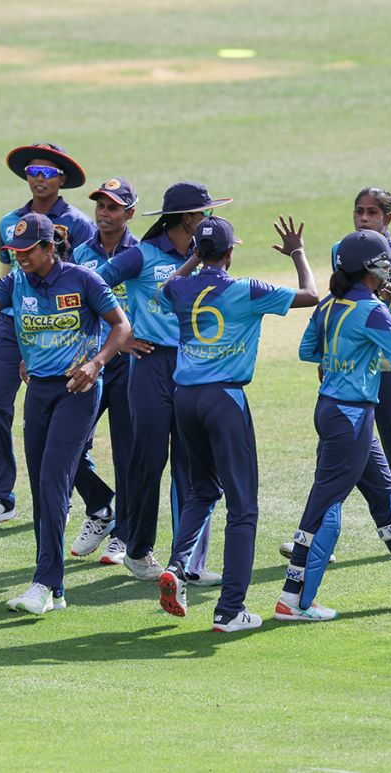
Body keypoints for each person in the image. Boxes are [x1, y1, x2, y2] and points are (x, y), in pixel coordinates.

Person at [275, 230, 391, 622]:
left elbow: (309, 351)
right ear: (372, 268)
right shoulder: (372, 310)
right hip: (351, 417)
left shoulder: (327, 306)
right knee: (324, 507)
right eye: (386, 261)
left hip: (336, 411)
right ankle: (294, 601)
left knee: (387, 494)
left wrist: (346, 357)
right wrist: (377, 347)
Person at [0, 215, 130, 614]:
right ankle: (57, 589)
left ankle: (43, 583)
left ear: (49, 248)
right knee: (41, 487)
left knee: (54, 480)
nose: (20, 259)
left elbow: (121, 327)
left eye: (27, 251)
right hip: (38, 391)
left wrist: (96, 364)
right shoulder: (16, 282)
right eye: (14, 253)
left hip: (78, 390)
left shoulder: (83, 280)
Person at [154, 216, 318, 633]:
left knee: (203, 489)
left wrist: (192, 259)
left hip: (185, 400)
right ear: (230, 253)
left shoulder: (179, 287)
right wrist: (298, 252)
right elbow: (311, 295)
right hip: (225, 399)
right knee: (243, 507)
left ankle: (177, 566)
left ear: (197, 251)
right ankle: (230, 609)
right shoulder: (246, 289)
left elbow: (167, 286)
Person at [95, 182, 232, 585]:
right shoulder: (143, 255)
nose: (208, 219)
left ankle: (187, 562)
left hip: (194, 365)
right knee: (148, 462)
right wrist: (123, 337)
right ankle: (138, 552)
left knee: (193, 465)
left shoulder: (206, 255)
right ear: (188, 217)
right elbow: (95, 286)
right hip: (151, 365)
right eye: (203, 213)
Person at [280, 186, 391, 560]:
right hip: (349, 368)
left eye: (372, 213)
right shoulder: (345, 249)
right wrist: (327, 359)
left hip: (389, 363)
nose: (364, 218)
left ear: (387, 219)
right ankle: (319, 541)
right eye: (359, 211)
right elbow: (341, 300)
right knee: (335, 456)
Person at [0, 142, 103, 530]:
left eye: (47, 174)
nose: (39, 180)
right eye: (33, 173)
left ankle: (81, 497)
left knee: (67, 427)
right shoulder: (10, 221)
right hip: (14, 327)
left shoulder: (78, 224)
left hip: (63, 333)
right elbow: (10, 276)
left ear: (61, 179)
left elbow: (85, 281)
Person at [67, 176, 140, 565]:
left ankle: (124, 535)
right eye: (99, 206)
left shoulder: (142, 254)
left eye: (112, 207)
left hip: (130, 366)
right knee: (68, 444)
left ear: (129, 213)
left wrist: (128, 337)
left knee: (129, 452)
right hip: (89, 365)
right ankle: (99, 507)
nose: (103, 213)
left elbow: (148, 307)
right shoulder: (80, 253)